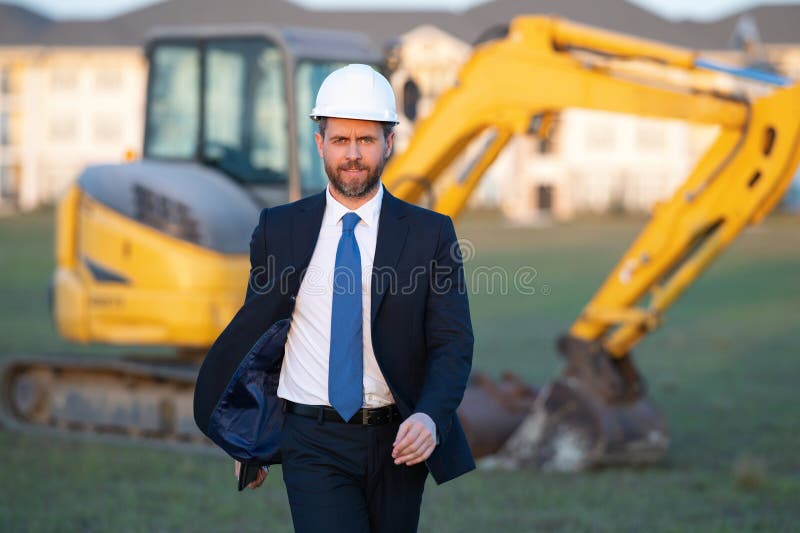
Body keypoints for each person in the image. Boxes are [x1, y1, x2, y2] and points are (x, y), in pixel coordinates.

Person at [224, 64, 474, 532]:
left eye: (366, 140)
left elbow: (452, 343)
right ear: (320, 143)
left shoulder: (430, 234)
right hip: (311, 440)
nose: (353, 154)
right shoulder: (279, 228)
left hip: (399, 441)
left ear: (389, 143)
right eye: (341, 140)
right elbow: (260, 340)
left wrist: (429, 417)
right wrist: (249, 436)